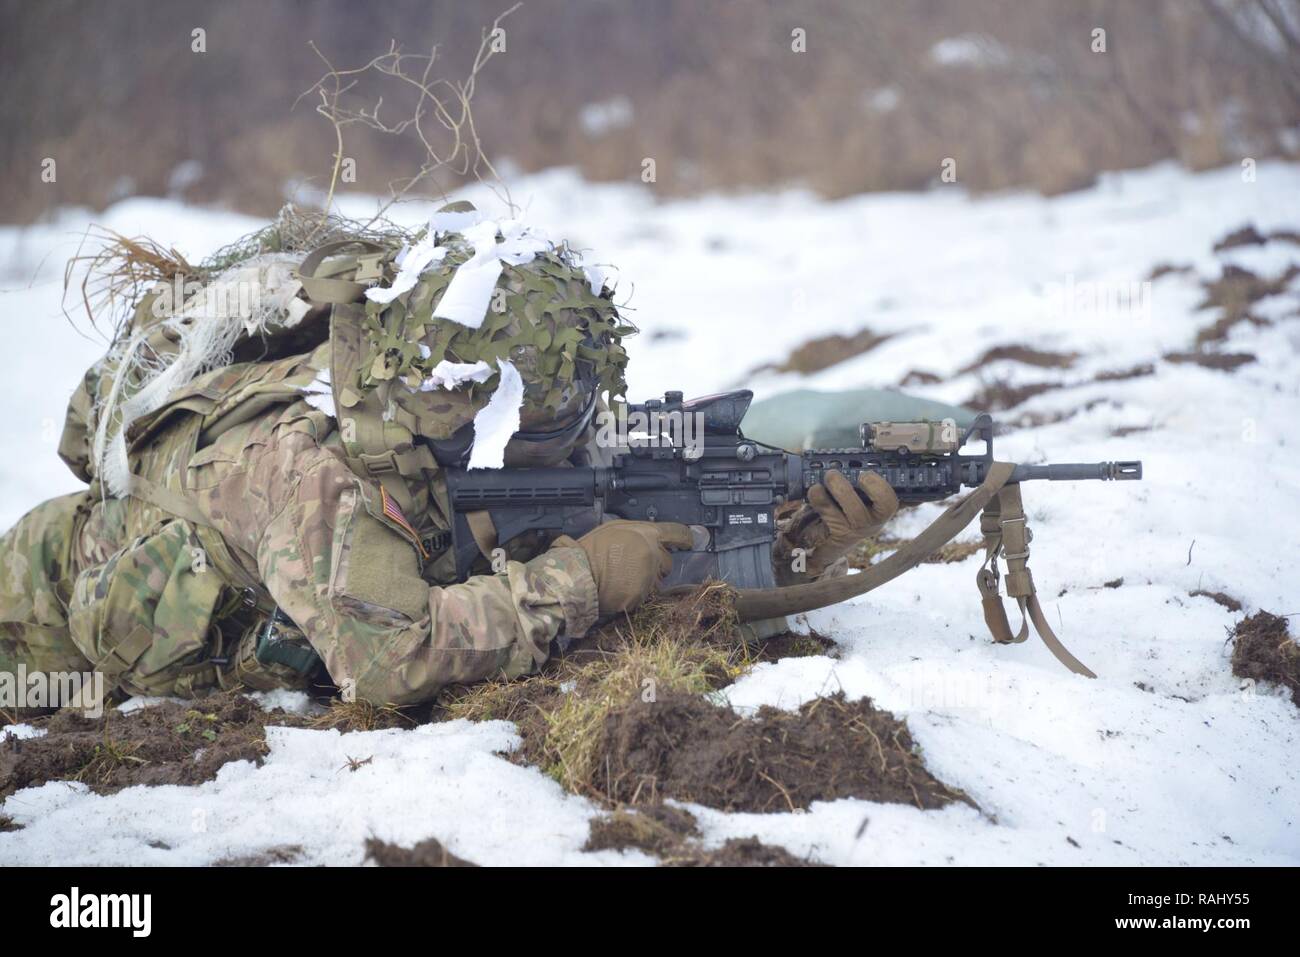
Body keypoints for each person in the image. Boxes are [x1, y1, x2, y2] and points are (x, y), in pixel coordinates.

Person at [0, 211, 897, 715]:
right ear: (473, 398)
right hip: (31, 617)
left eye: (576, 404)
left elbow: (608, 520)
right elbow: (390, 661)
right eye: (548, 412)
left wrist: (790, 539)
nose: (571, 431)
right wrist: (583, 577)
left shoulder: (437, 424)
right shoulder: (312, 469)